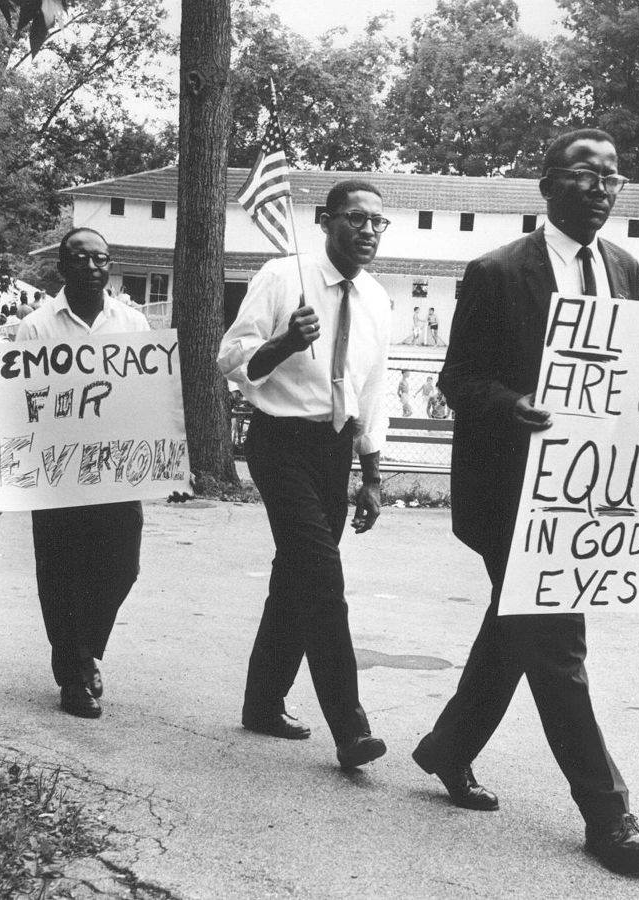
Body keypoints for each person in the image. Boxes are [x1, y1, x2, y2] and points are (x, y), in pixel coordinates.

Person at [411, 129, 639, 873]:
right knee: (557, 645)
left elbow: (631, 378)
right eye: (586, 174)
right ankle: (609, 815)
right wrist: (511, 403)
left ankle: (448, 749)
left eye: (613, 177)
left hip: (580, 497)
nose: (601, 188)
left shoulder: (624, 267)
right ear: (547, 183)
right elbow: (457, 380)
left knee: (516, 629)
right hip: (506, 494)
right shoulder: (495, 272)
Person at [218, 179, 391, 770]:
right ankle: (350, 726)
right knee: (322, 577)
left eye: (376, 223)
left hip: (334, 448)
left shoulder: (377, 299)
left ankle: (263, 702)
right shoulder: (281, 276)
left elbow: (371, 391)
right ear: (324, 220)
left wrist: (371, 474)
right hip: (280, 443)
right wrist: (286, 342)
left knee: (296, 577)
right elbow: (232, 361)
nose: (367, 231)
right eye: (354, 218)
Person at [16, 228, 147, 719]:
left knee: (121, 566)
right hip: (57, 470)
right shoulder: (35, 327)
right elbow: (22, 400)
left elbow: (150, 399)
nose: (93, 266)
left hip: (117, 469)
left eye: (102, 259)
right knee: (61, 573)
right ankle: (73, 674)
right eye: (81, 258)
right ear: (61, 268)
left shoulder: (133, 324)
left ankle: (84, 648)